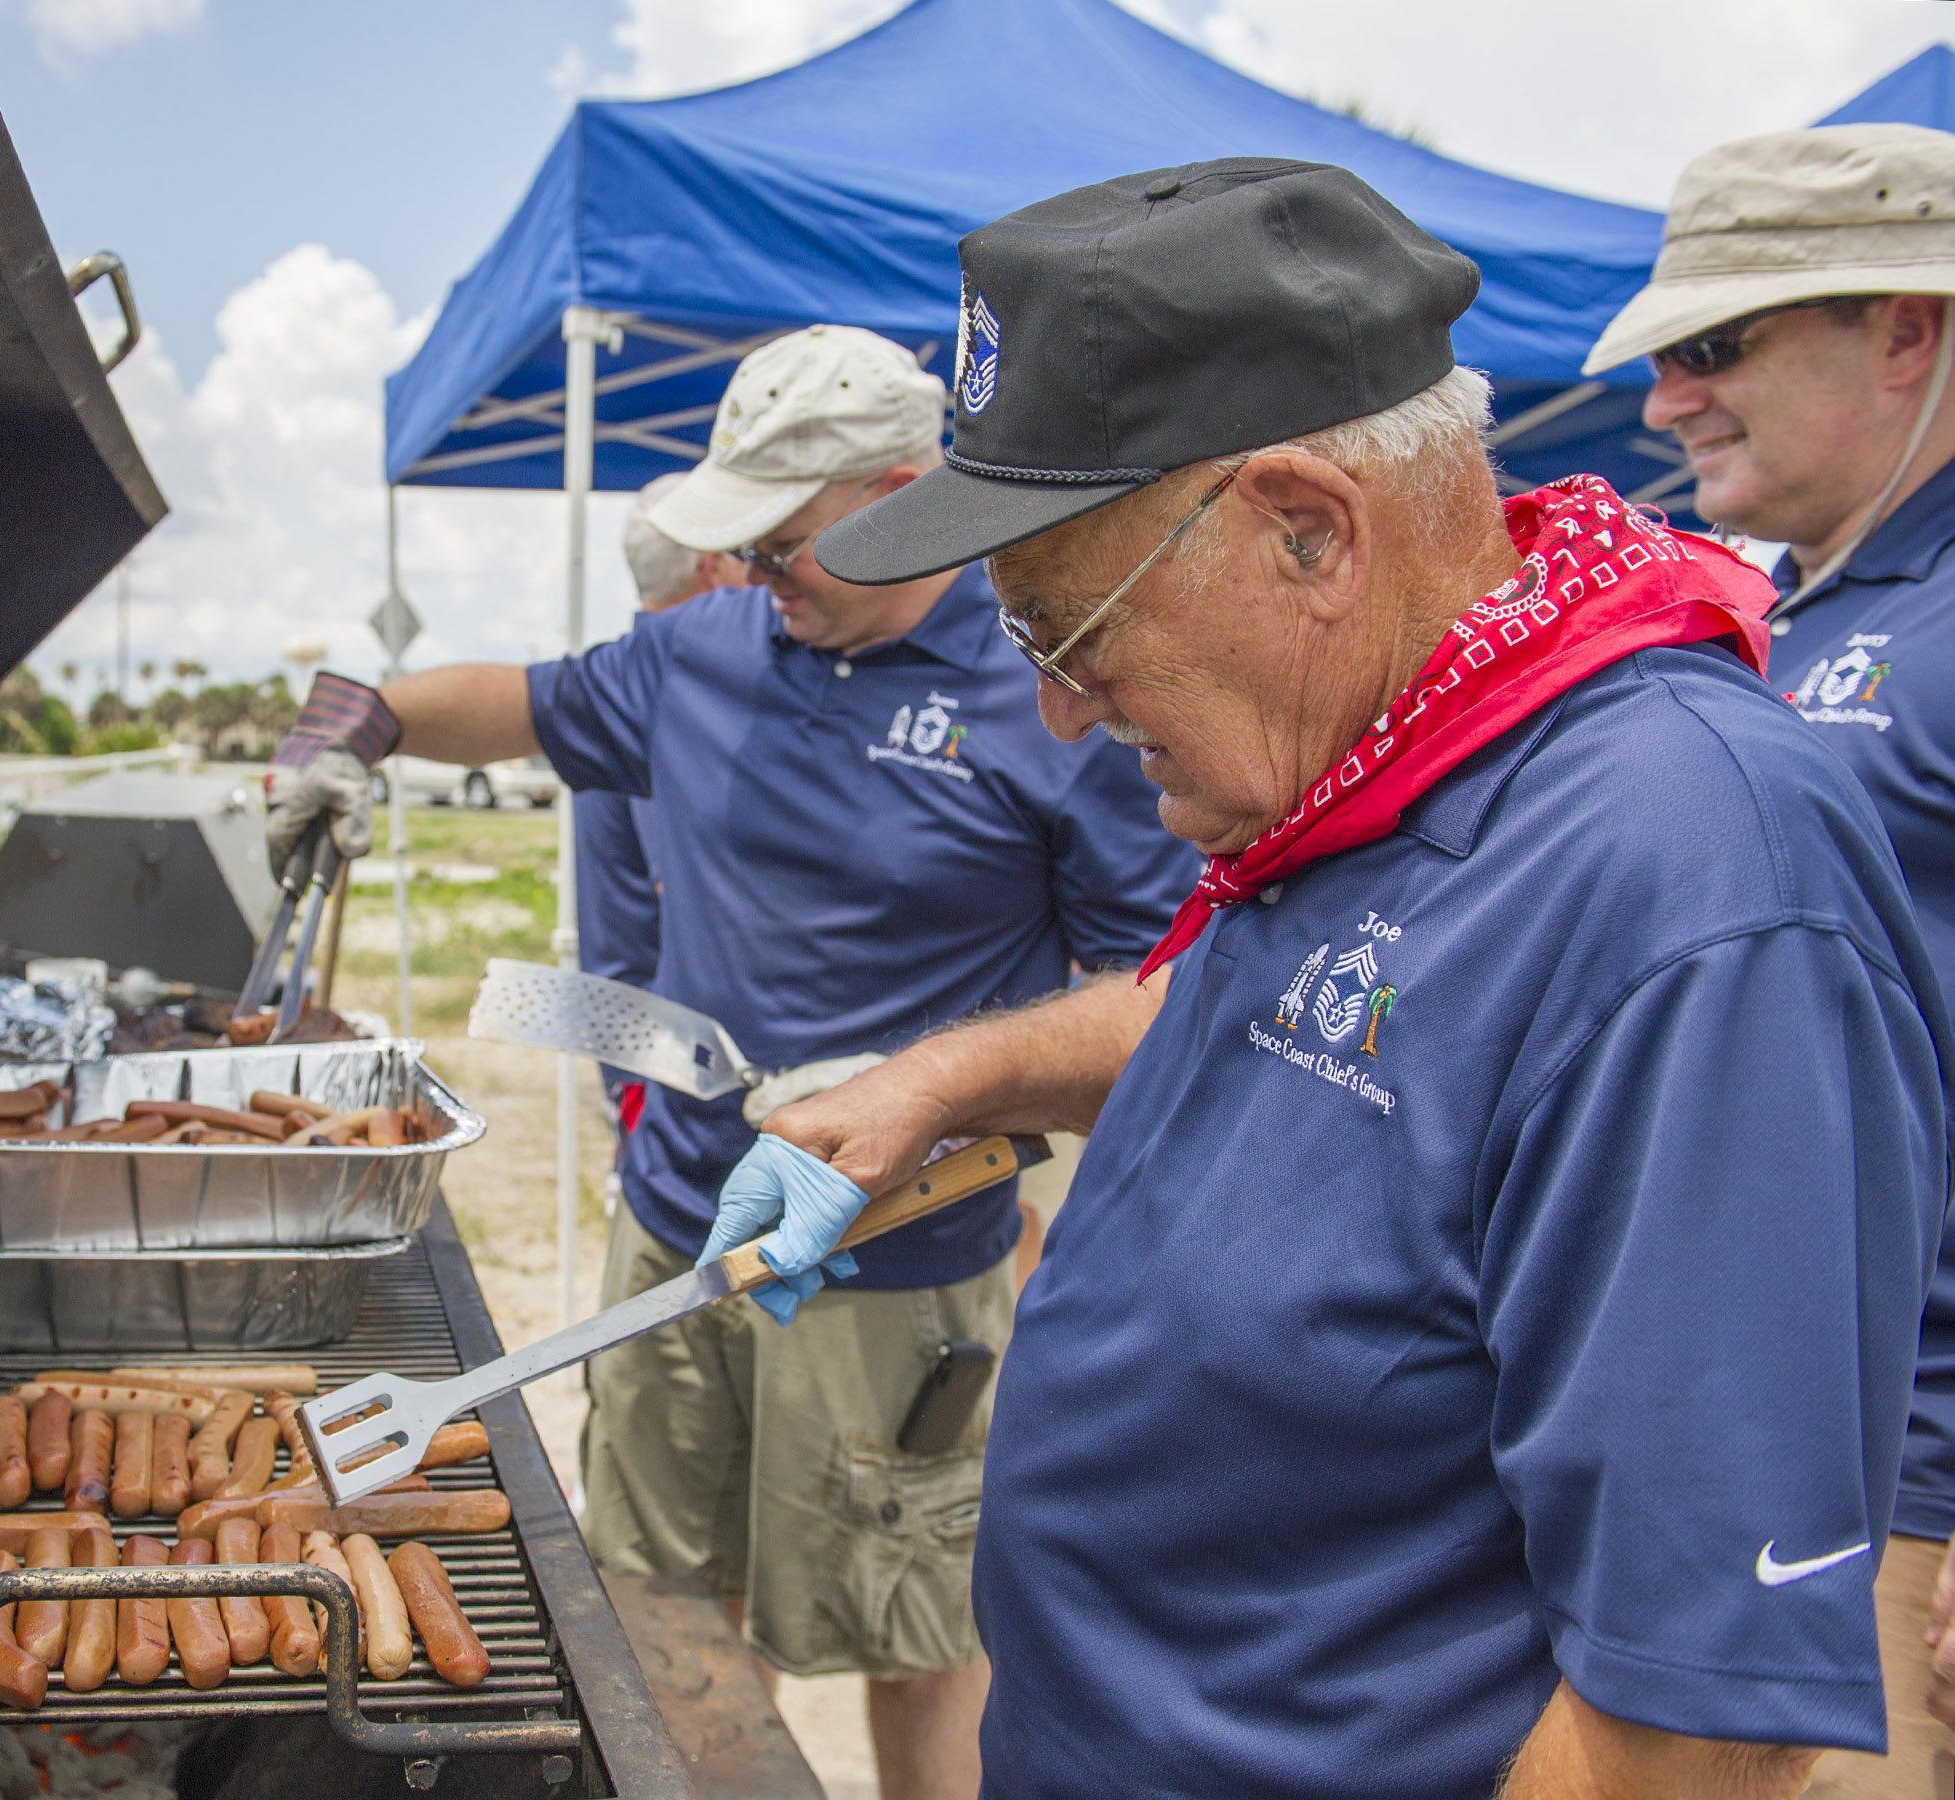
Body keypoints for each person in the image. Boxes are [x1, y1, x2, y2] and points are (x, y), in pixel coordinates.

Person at [710, 159, 1954, 1799]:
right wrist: (938, 1080)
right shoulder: (1394, 734)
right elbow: (1294, 1016)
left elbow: (1695, 1722)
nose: (1065, 717)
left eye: (1068, 640)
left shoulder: (1693, 879)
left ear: (1308, 532)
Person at [264, 325, 1194, 1800]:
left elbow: (1151, 993)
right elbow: (517, 698)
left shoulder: (1053, 695)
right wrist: (362, 720)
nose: (758, 578)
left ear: (905, 493)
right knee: (667, 1594)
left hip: (887, 1256)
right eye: (745, 552)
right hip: (676, 1222)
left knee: (918, 1623)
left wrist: (934, 1090)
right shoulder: (702, 649)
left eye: (784, 547)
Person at [1582, 123, 1955, 1796]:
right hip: (1768, 1449)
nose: (1670, 399)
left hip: (1908, 1494)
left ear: (1908, 326)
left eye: (1714, 345)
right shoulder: (1813, 601)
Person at [578, 476, 744, 1135]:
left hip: (649, 1074)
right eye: (748, 555)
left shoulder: (616, 693)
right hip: (689, 1096)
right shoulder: (686, 698)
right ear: (713, 567)